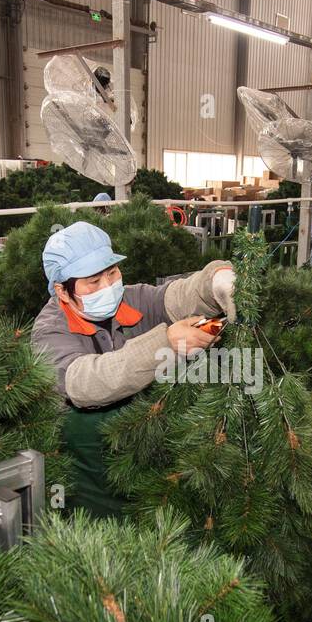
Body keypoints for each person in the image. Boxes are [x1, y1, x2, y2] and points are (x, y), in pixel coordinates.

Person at [31, 221, 236, 516]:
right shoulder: (50, 331)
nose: (108, 286)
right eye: (93, 281)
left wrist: (215, 280)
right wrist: (166, 342)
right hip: (85, 475)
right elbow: (84, 382)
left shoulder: (132, 299)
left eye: (112, 273)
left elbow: (177, 296)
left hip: (140, 457)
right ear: (63, 291)